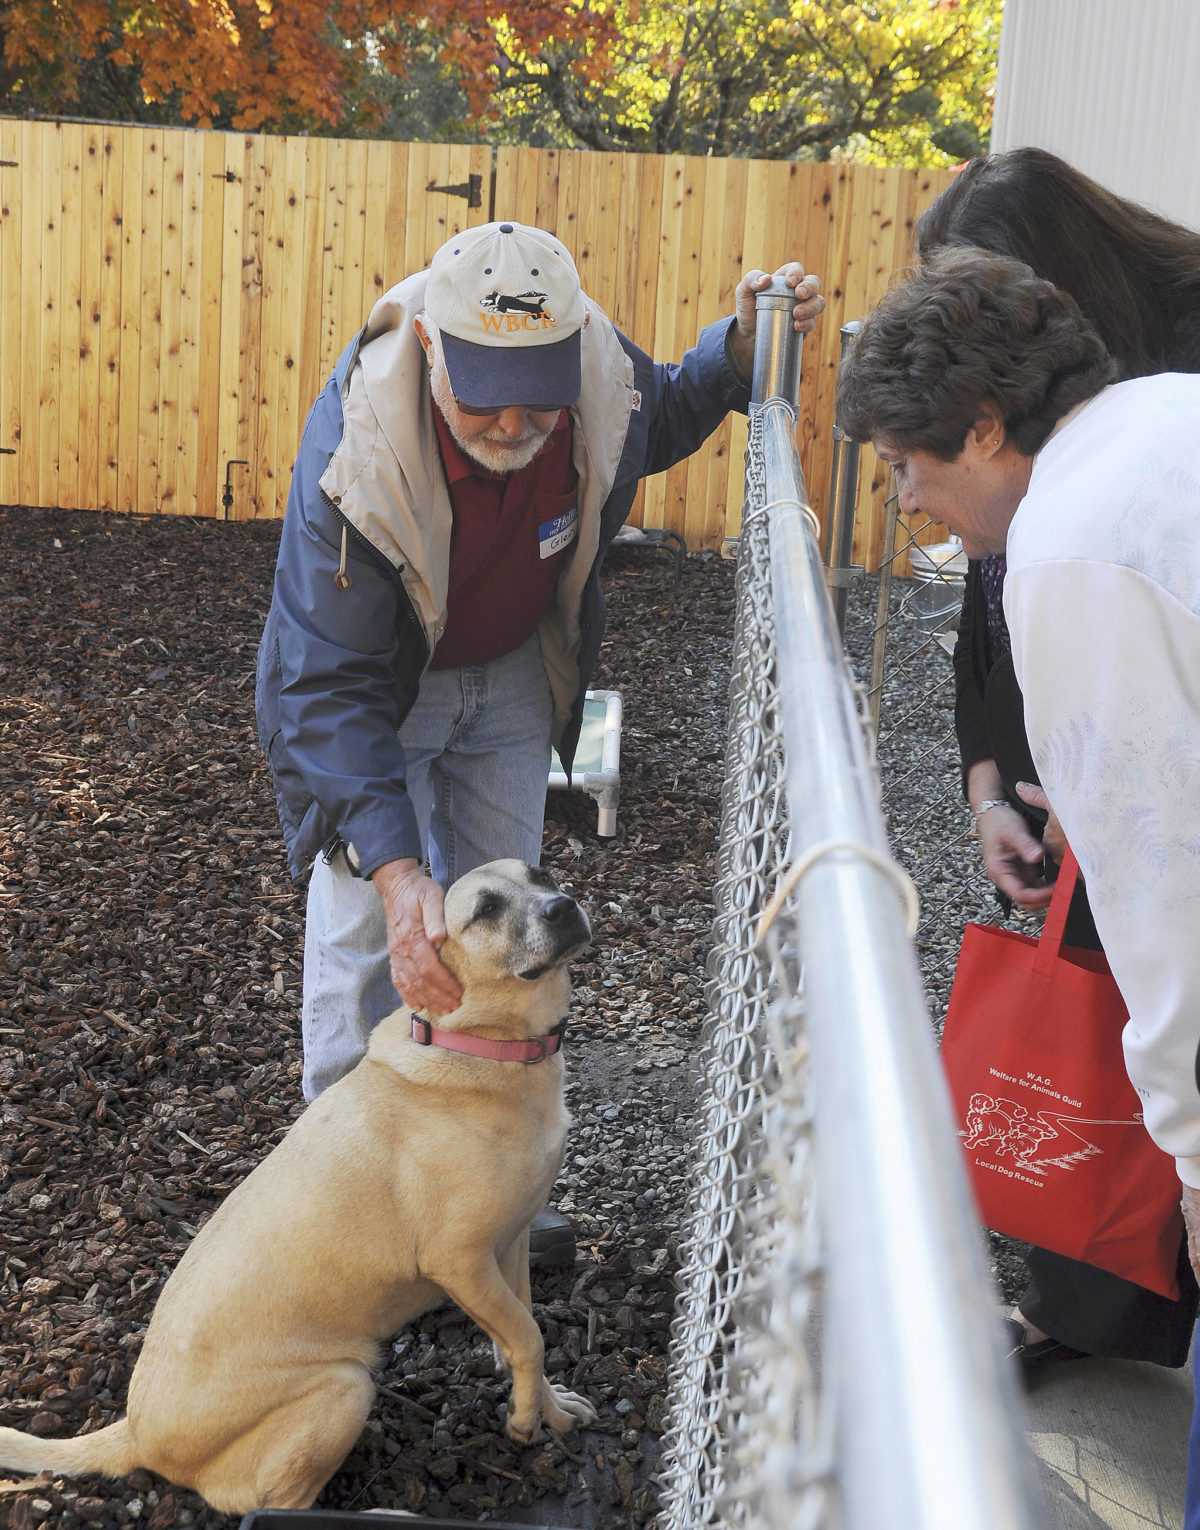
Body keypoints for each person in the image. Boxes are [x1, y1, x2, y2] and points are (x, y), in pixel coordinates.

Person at [255, 221, 824, 1254]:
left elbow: (666, 410)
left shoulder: (592, 375)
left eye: (538, 392)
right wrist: (394, 872)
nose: (516, 421)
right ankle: (338, 1199)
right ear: (432, 347)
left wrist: (739, 352)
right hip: (389, 683)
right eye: (485, 392)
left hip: (514, 672)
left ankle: (480, 1191)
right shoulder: (357, 451)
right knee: (365, 928)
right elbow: (323, 687)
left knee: (498, 921)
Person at [834, 244, 1200, 1509]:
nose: (908, 504)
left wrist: (1196, 1162)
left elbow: (1166, 894)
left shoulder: (1070, 557)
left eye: (906, 466)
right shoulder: (1169, 420)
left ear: (984, 428)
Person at [913, 148, 1200, 1377]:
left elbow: (1169, 872)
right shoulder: (1043, 438)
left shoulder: (1135, 423)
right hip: (1074, 765)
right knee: (1093, 1026)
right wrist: (991, 784)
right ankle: (1101, 1285)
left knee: (1151, 989)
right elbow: (990, 598)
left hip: (1150, 761)